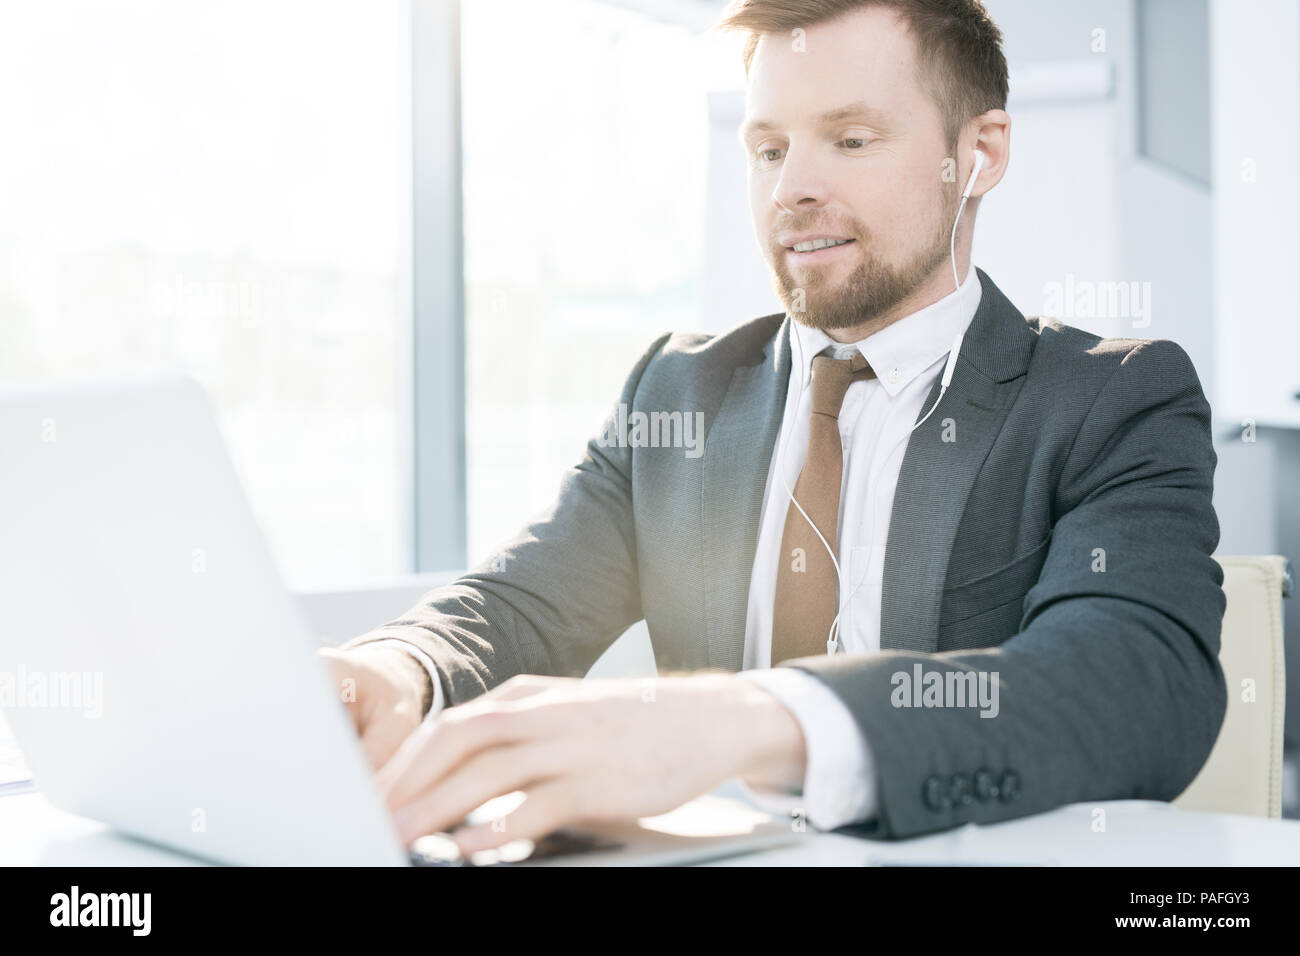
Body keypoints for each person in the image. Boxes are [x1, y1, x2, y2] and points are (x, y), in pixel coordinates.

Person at [322, 0, 1226, 854]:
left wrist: (752, 720)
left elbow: (1136, 680)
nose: (791, 188)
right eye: (768, 149)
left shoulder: (1112, 399)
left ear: (979, 155)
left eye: (851, 139)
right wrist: (398, 668)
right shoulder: (678, 391)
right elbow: (517, 606)